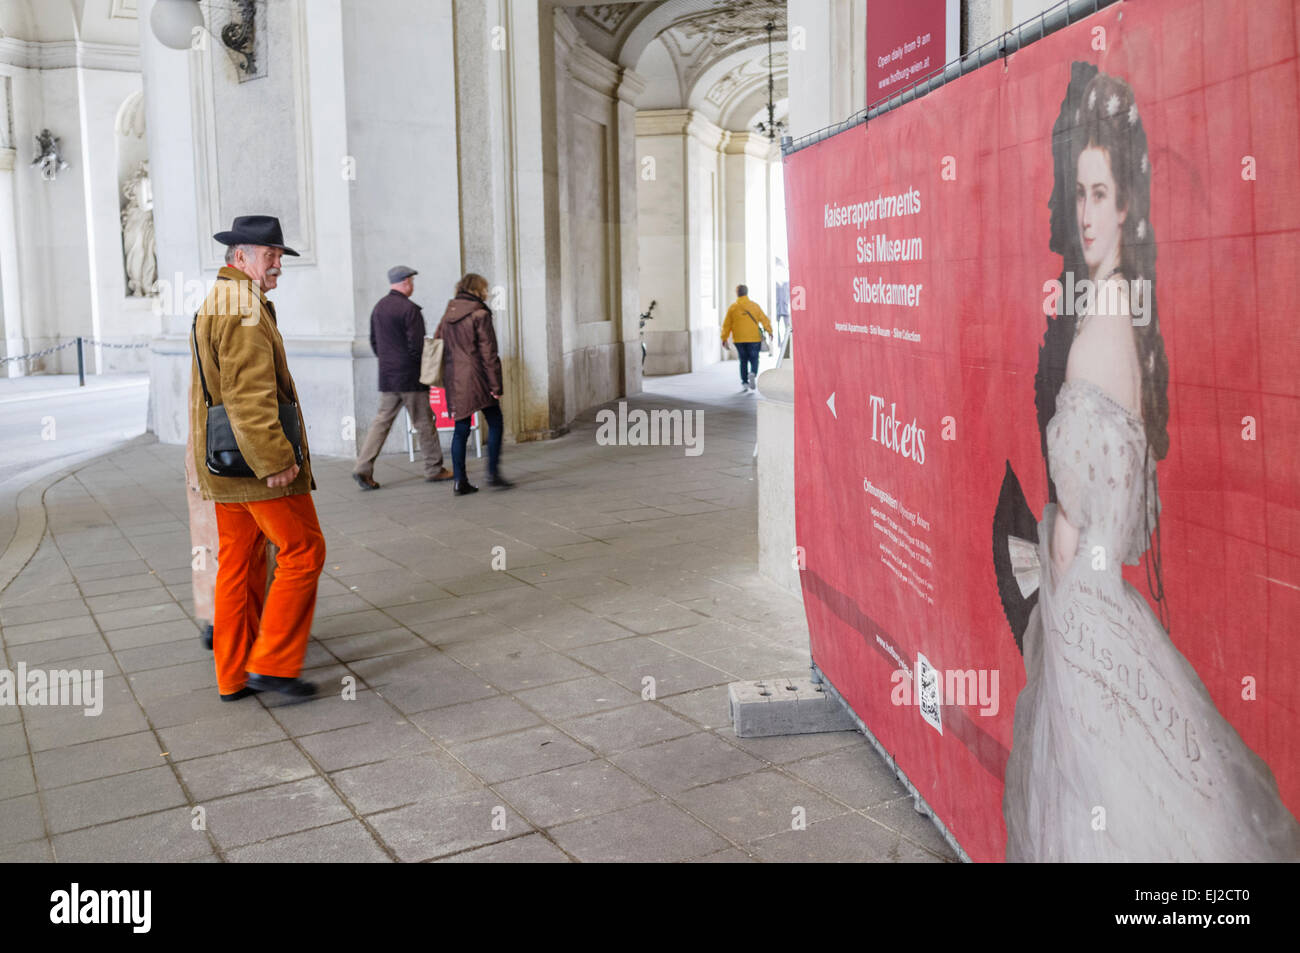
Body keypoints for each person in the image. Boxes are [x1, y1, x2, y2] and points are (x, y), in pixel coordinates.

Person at [1000, 73, 1300, 861]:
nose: (1086, 213)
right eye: (1079, 194)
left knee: (1114, 803)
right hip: (1092, 611)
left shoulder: (1103, 323)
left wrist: (1061, 529)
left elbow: (1100, 516)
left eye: (1101, 194)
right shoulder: (1121, 309)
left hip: (1088, 616)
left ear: (1127, 206)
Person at [190, 215, 325, 702]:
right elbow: (248, 396)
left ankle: (233, 674)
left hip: (226, 464)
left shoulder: (219, 300)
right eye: (270, 257)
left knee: (239, 563)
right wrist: (275, 460)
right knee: (304, 550)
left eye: (279, 258)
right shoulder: (243, 307)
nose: (278, 267)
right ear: (240, 257)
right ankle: (274, 665)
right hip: (254, 465)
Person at [353, 265, 452, 489]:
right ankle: (434, 469)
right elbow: (417, 347)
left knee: (381, 423)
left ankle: (362, 466)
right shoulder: (410, 309)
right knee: (424, 423)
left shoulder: (379, 307)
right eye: (411, 281)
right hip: (410, 378)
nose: (412, 285)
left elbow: (374, 342)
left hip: (388, 376)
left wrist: (389, 363)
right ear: (406, 282)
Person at [434, 273, 510, 495]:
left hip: (454, 377)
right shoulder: (480, 313)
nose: (487, 292)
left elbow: (439, 343)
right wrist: (496, 386)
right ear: (478, 289)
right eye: (485, 288)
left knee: (461, 428)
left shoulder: (448, 314)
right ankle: (493, 473)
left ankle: (460, 481)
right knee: (495, 421)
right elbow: (489, 353)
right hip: (477, 377)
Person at [720, 284, 772, 392]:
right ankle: (753, 373)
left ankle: (744, 382)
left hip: (739, 339)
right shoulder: (754, 306)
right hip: (753, 338)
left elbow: (726, 325)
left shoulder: (733, 308)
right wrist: (769, 331)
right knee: (754, 358)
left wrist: (724, 338)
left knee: (743, 360)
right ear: (746, 293)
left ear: (737, 293)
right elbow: (764, 319)